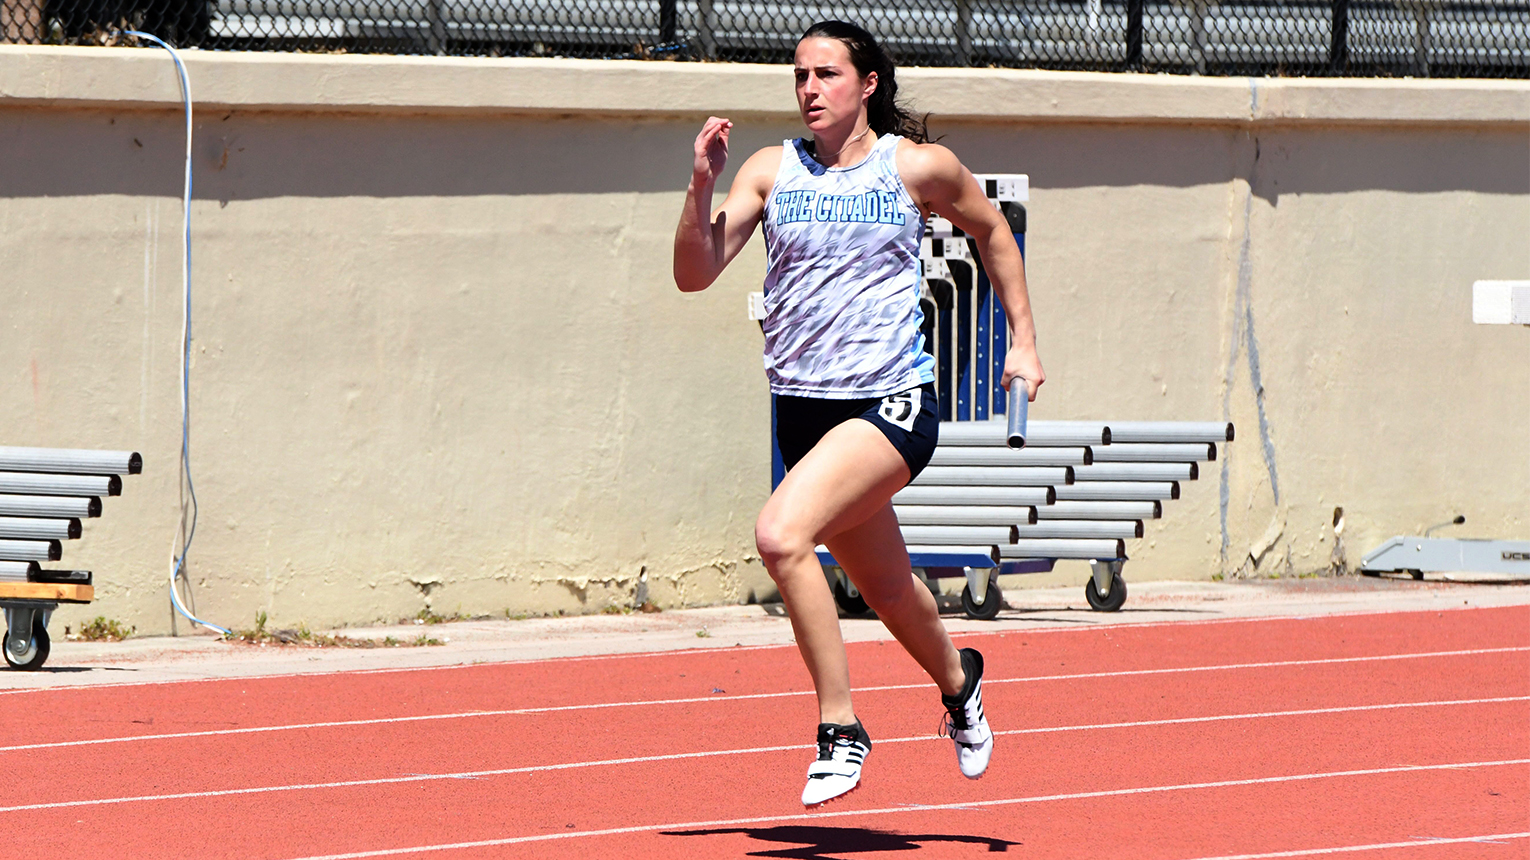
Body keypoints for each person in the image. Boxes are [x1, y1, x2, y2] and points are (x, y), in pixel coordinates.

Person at [672, 20, 1044, 808]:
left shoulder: (914, 167)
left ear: (867, 82)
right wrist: (702, 184)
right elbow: (695, 273)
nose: (809, 89)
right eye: (799, 74)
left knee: (781, 536)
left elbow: (992, 233)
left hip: (892, 403)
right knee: (885, 586)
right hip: (803, 410)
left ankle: (840, 727)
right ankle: (959, 679)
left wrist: (1024, 342)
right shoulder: (774, 171)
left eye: (827, 74)